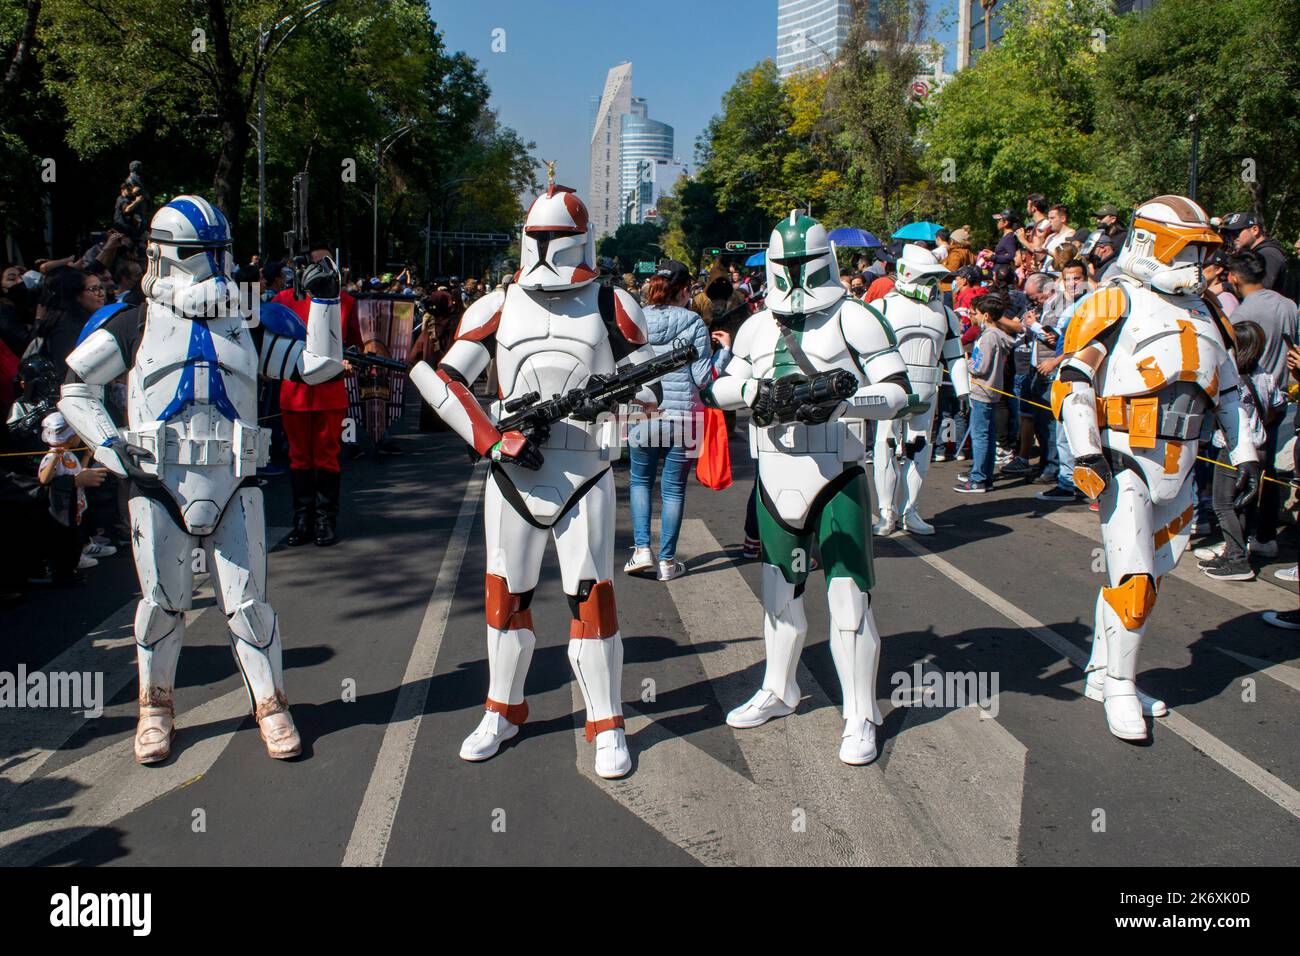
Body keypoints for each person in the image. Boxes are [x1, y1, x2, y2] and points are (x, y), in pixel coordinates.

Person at [59, 195, 345, 764]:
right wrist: (112, 448)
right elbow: (75, 388)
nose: (213, 267)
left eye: (220, 253)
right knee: (163, 604)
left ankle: (271, 703)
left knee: (248, 605)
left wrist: (326, 301)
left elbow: (320, 367)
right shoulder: (131, 323)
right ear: (164, 256)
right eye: (199, 254)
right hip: (158, 485)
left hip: (234, 483)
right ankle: (155, 707)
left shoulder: (249, 320)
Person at [410, 180, 652, 779]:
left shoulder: (610, 304)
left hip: (585, 471)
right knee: (504, 600)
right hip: (514, 472)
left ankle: (606, 720)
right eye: (536, 236)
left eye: (557, 237)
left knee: (591, 599)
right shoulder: (496, 304)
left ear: (582, 238)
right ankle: (502, 707)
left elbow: (648, 388)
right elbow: (439, 379)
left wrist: (609, 406)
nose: (546, 247)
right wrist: (492, 436)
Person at [705, 211, 919, 766]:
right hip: (775, 476)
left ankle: (859, 712)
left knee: (849, 601)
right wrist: (755, 389)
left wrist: (843, 402)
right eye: (788, 265)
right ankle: (780, 688)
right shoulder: (755, 326)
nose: (797, 275)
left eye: (805, 263)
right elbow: (720, 385)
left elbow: (899, 391)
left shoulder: (856, 318)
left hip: (836, 473)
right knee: (780, 595)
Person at [1051, 195, 1259, 742]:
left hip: (1183, 463)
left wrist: (1247, 455)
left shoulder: (1209, 311)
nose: (1199, 261)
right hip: (1125, 456)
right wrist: (1086, 450)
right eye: (1188, 248)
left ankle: (1103, 672)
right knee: (1135, 579)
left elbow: (1232, 394)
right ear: (1151, 243)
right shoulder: (1112, 302)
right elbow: (1072, 379)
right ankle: (1120, 682)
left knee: (1147, 576)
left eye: (1201, 250)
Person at [623, 260, 731, 581]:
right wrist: (723, 351)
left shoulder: (635, 319)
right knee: (673, 490)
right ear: (685, 290)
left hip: (642, 414)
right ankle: (668, 563)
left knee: (640, 482)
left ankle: (642, 550)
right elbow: (701, 379)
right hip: (684, 419)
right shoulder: (694, 322)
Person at [871, 244, 970, 535]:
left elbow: (955, 355)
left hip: (928, 389)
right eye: (926, 277)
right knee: (885, 444)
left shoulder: (945, 313)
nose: (930, 284)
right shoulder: (883, 307)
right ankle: (887, 511)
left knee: (919, 449)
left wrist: (963, 389)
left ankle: (909, 510)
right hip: (891, 387)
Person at [271, 243, 363, 547]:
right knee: (298, 458)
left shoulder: (346, 302)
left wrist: (349, 361)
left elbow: (354, 345)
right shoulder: (282, 301)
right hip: (294, 392)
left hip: (329, 392)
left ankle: (325, 520)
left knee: (326, 457)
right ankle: (302, 520)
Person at [1226, 249, 1299, 558]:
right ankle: (1266, 535)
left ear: (1232, 278)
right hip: (1280, 398)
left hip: (1248, 401)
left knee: (1237, 472)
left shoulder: (1241, 314)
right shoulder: (1288, 305)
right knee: (1267, 473)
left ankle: (1236, 542)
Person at [1193, 321, 1278, 580]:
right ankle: (1236, 550)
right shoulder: (1265, 376)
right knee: (1242, 504)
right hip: (1260, 445)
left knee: (1222, 504)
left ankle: (1237, 559)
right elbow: (1275, 407)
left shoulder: (1228, 378)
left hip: (1232, 449)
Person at [954, 293, 1016, 493]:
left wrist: (966, 361)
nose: (975, 317)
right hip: (989, 390)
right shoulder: (995, 336)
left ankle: (979, 477)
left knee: (981, 436)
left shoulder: (989, 337)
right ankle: (984, 476)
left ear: (987, 316)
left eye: (977, 314)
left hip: (982, 390)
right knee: (987, 435)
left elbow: (980, 367)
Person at [26, 267, 103, 376]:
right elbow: (69, 372)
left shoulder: (80, 320)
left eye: (100, 288)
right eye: (93, 289)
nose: (101, 294)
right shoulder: (65, 327)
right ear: (74, 292)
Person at [1220, 212, 1291, 294]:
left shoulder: (1268, 253)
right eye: (1229, 234)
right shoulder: (1258, 253)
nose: (1232, 238)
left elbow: (1258, 290)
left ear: (1255, 230)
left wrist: (1223, 287)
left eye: (1236, 233)